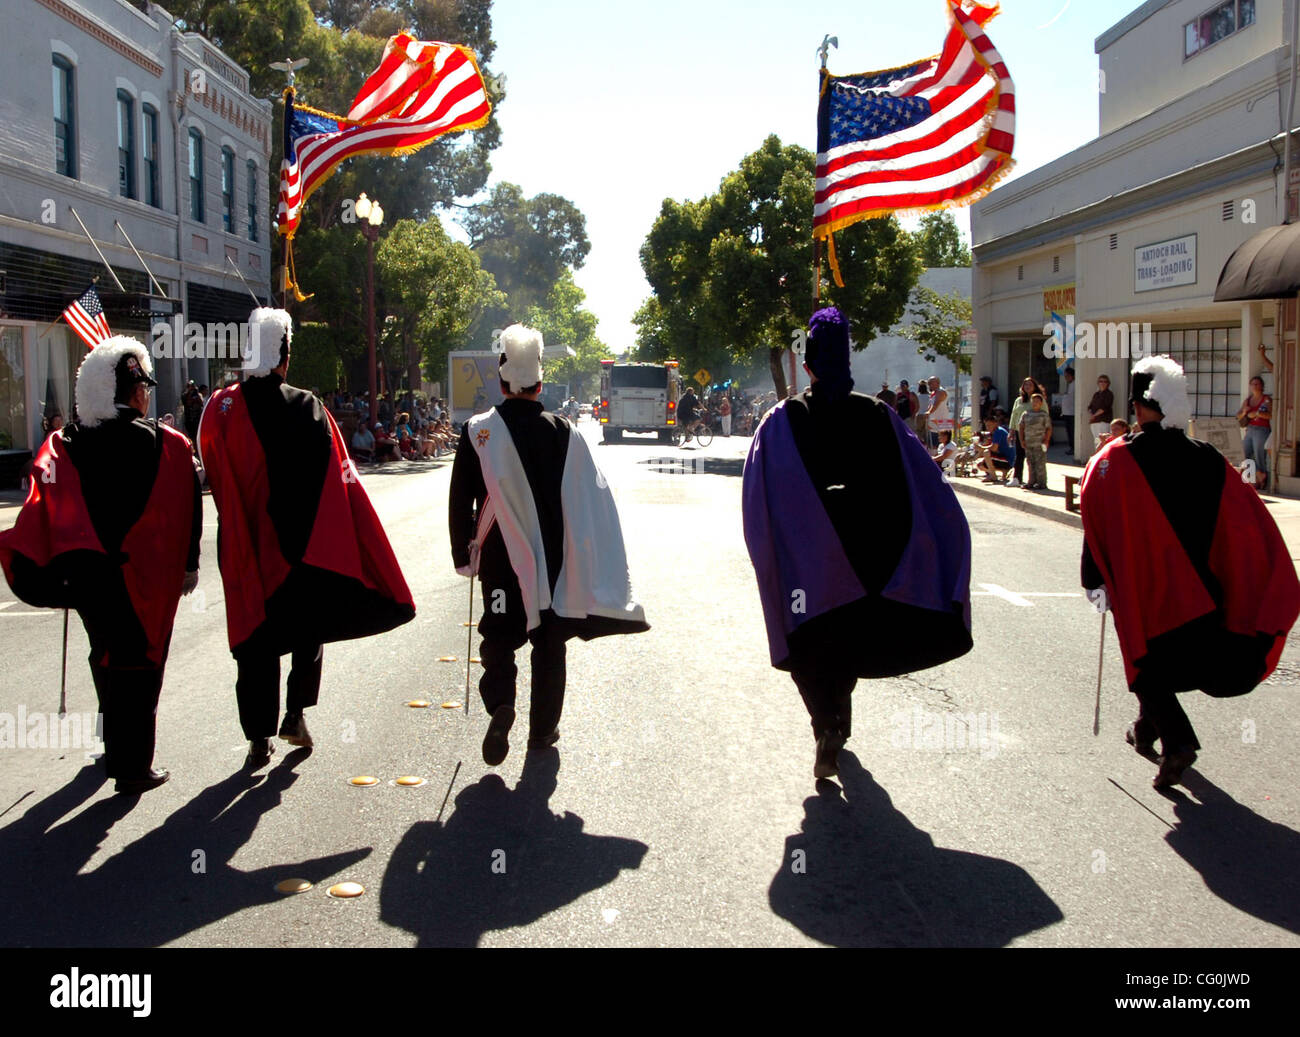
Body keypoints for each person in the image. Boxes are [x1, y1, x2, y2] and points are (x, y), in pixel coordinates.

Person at [743, 307, 972, 779]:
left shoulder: (778, 423)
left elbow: (757, 507)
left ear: (808, 366)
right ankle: (835, 727)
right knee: (845, 640)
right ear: (847, 362)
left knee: (809, 642)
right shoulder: (879, 416)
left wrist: (772, 560)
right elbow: (926, 489)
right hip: (873, 563)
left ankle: (825, 723)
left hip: (810, 568)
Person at [199, 308, 415, 767]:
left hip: (241, 543)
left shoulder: (218, 408)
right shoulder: (306, 405)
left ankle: (258, 737)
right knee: (305, 629)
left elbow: (211, 470)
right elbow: (335, 479)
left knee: (253, 636)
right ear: (285, 355)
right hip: (299, 545)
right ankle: (294, 713)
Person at [1080, 355, 1300, 789]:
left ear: (1141, 406)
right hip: (1204, 590)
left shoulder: (1116, 460)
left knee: (1147, 662)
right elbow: (1246, 523)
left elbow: (1098, 520)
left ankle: (1178, 742)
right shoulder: (1207, 458)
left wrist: (1093, 577)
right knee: (1167, 660)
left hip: (1146, 588)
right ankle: (1147, 728)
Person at [0, 338, 201, 794]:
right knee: (140, 663)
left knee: (105, 654)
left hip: (88, 576)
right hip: (143, 576)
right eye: (143, 388)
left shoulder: (67, 442)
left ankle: (113, 746)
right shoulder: (166, 443)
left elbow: (45, 497)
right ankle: (131, 767)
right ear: (133, 392)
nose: (147, 395)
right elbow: (190, 506)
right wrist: (189, 565)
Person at [449, 324, 648, 765]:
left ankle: (501, 703)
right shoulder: (564, 432)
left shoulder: (478, 431)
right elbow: (590, 497)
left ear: (501, 382)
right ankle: (542, 732)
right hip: (553, 560)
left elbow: (461, 496)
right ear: (540, 383)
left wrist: (463, 552)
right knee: (549, 641)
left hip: (502, 558)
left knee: (499, 635)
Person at [1236, 375, 1271, 491]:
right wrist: (1245, 412)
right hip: (1250, 429)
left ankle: (1261, 479)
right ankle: (1256, 475)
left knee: (1259, 454)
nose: (1255, 386)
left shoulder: (1266, 399)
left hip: (1262, 429)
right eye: (1253, 384)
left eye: (1257, 384)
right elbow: (1238, 415)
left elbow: (1269, 415)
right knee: (1244, 453)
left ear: (1262, 386)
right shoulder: (1248, 400)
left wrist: (1256, 414)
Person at [1019, 393, 1052, 490]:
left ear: (1041, 403)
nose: (1035, 403)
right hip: (1029, 442)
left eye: (1037, 401)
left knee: (1040, 463)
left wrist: (1046, 440)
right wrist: (1022, 440)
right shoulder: (1025, 414)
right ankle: (1031, 482)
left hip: (1039, 443)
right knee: (1030, 462)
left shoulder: (1044, 415)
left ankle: (1041, 483)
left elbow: (1049, 428)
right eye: (1033, 401)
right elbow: (1021, 427)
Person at [978, 410, 1015, 483]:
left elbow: (994, 448)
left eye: (989, 425)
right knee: (980, 465)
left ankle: (993, 476)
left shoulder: (998, 432)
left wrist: (981, 448)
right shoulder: (994, 433)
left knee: (986, 452)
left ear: (995, 424)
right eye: (986, 426)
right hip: (1003, 457)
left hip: (1008, 459)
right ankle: (1003, 470)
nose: (988, 428)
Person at [1087, 374, 1114, 450]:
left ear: (1108, 383)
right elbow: (1090, 407)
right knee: (1096, 441)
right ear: (1098, 383)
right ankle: (1097, 459)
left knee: (1103, 441)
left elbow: (1104, 408)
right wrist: (1091, 414)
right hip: (1094, 421)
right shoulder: (1096, 394)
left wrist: (1094, 415)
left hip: (1103, 421)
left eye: (1105, 381)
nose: (1102, 383)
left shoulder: (1109, 394)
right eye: (1100, 381)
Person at [924, 376, 949, 448]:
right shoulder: (933, 393)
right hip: (933, 423)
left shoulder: (940, 392)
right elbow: (931, 405)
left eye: (931, 383)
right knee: (932, 444)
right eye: (929, 383)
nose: (929, 384)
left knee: (940, 443)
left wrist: (929, 412)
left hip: (941, 422)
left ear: (937, 383)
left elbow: (936, 404)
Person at [1059, 367, 1076, 456]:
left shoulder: (1075, 384)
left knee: (1072, 431)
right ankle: (1071, 447)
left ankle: (1074, 448)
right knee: (1068, 431)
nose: (1066, 378)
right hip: (1066, 412)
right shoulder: (1070, 384)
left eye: (1067, 376)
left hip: (1072, 412)